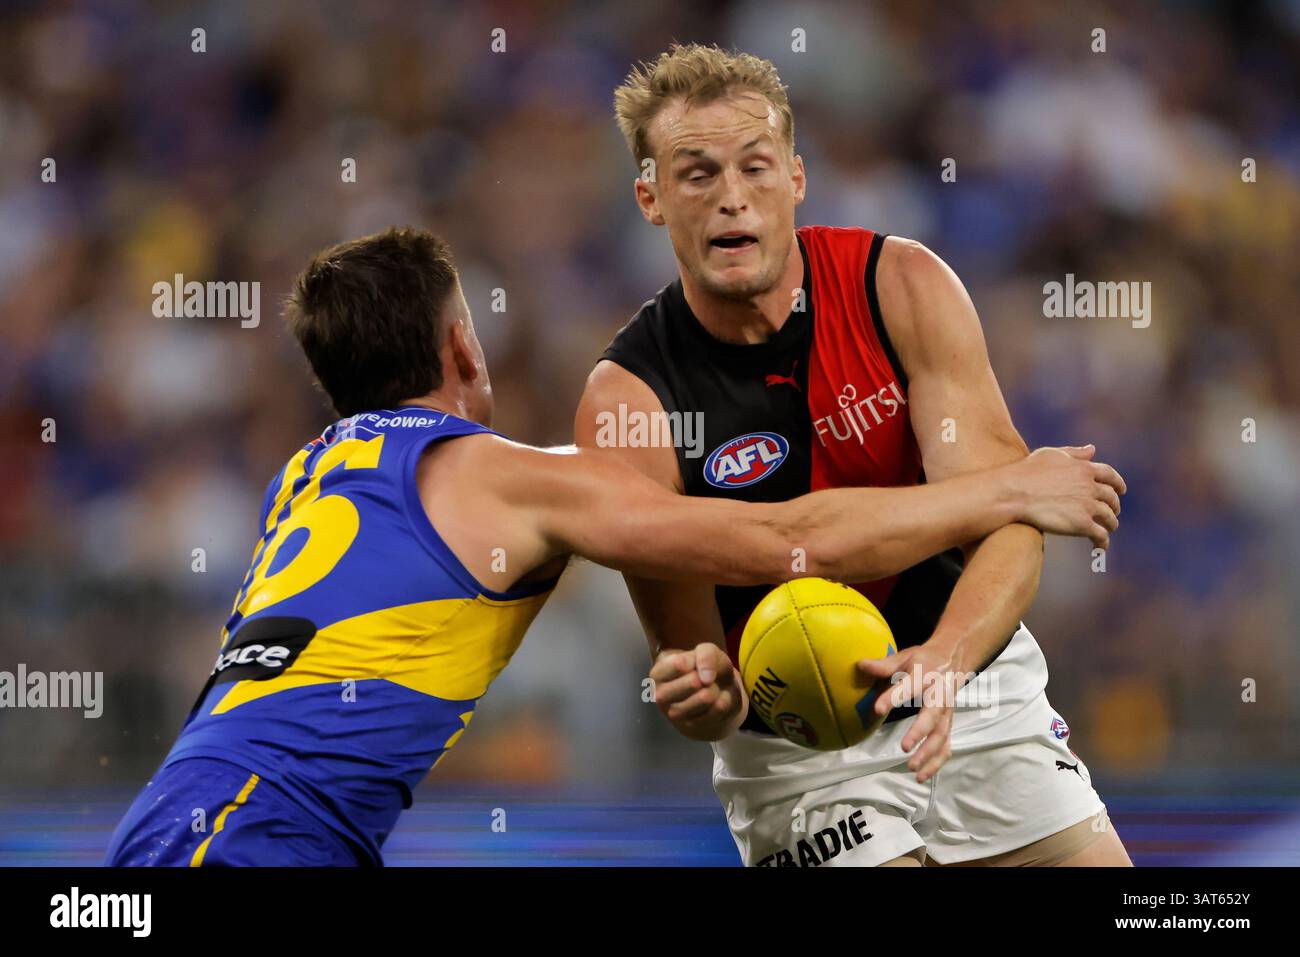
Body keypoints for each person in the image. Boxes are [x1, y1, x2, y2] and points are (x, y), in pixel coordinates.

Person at [104, 227, 1119, 866]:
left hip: (188, 815)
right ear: (464, 348)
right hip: (255, 834)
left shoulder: (310, 475)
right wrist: (1008, 487)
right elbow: (787, 538)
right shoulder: (507, 478)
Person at [576, 43, 1133, 867]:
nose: (733, 198)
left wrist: (944, 659)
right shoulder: (628, 404)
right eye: (696, 175)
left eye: (755, 167)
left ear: (795, 179)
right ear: (650, 198)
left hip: (974, 681)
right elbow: (702, 668)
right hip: (800, 747)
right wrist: (701, 691)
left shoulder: (903, 285)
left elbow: (1013, 534)